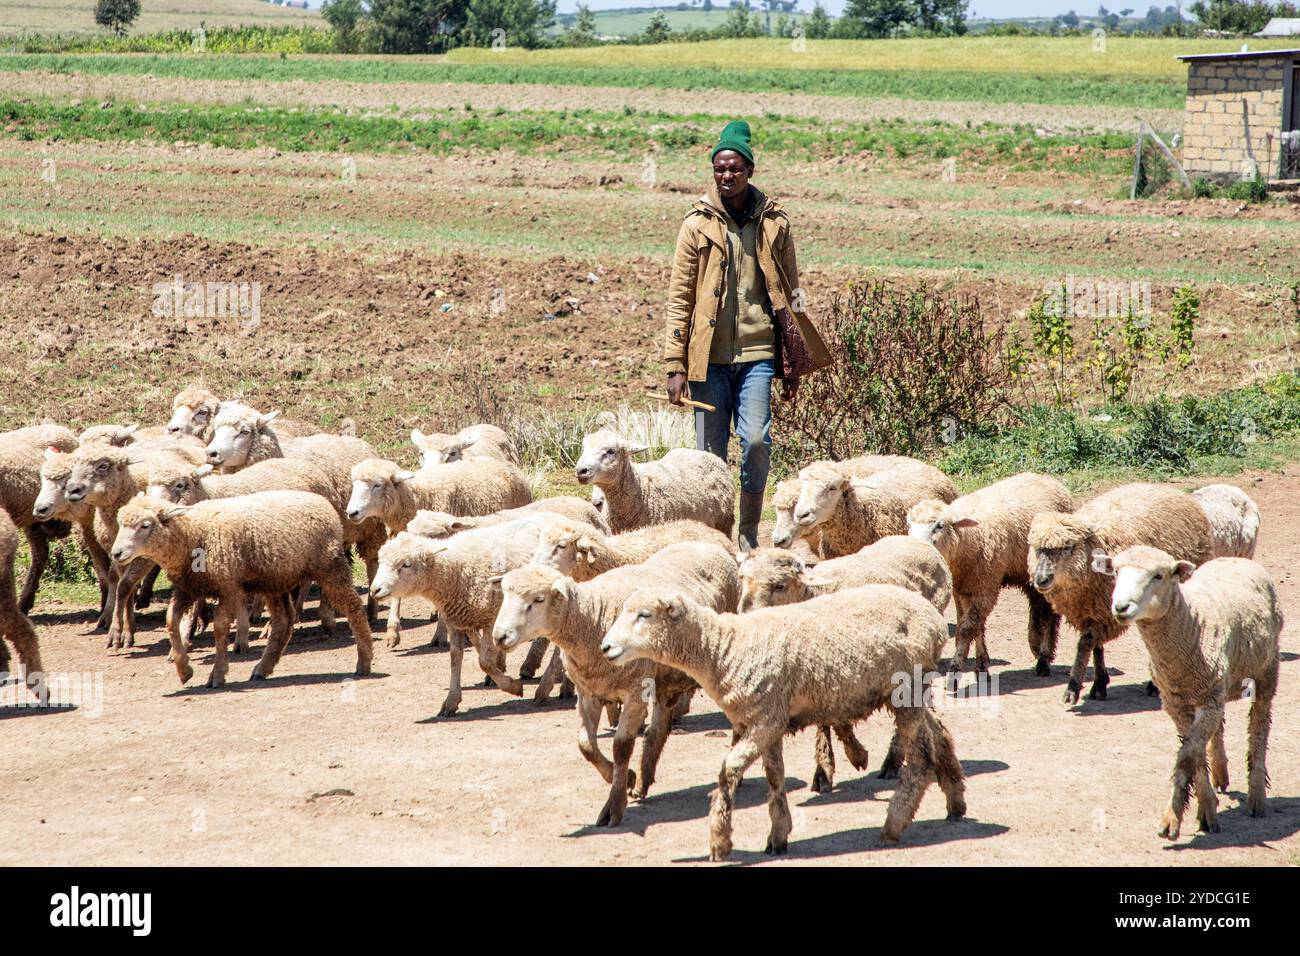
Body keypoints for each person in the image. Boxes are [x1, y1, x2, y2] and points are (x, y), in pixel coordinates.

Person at [663, 120, 830, 551]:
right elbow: (680, 296)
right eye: (719, 168)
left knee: (756, 440)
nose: (726, 175)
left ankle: (747, 533)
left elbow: (793, 292)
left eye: (734, 167)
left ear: (750, 170)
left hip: (758, 353)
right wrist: (675, 365)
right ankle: (714, 540)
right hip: (708, 359)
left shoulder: (774, 222)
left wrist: (795, 357)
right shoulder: (696, 225)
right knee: (709, 459)